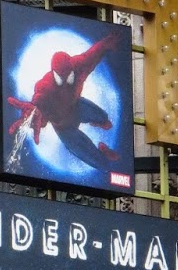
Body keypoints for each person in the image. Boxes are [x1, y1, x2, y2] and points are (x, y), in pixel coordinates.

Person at [7, 31, 123, 174]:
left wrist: (105, 44)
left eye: (69, 74)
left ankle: (100, 121)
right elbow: (38, 107)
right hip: (64, 127)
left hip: (76, 106)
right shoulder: (44, 88)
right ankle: (102, 155)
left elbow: (91, 55)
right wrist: (32, 115)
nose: (67, 79)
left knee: (104, 119)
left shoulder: (78, 65)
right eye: (62, 76)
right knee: (98, 161)